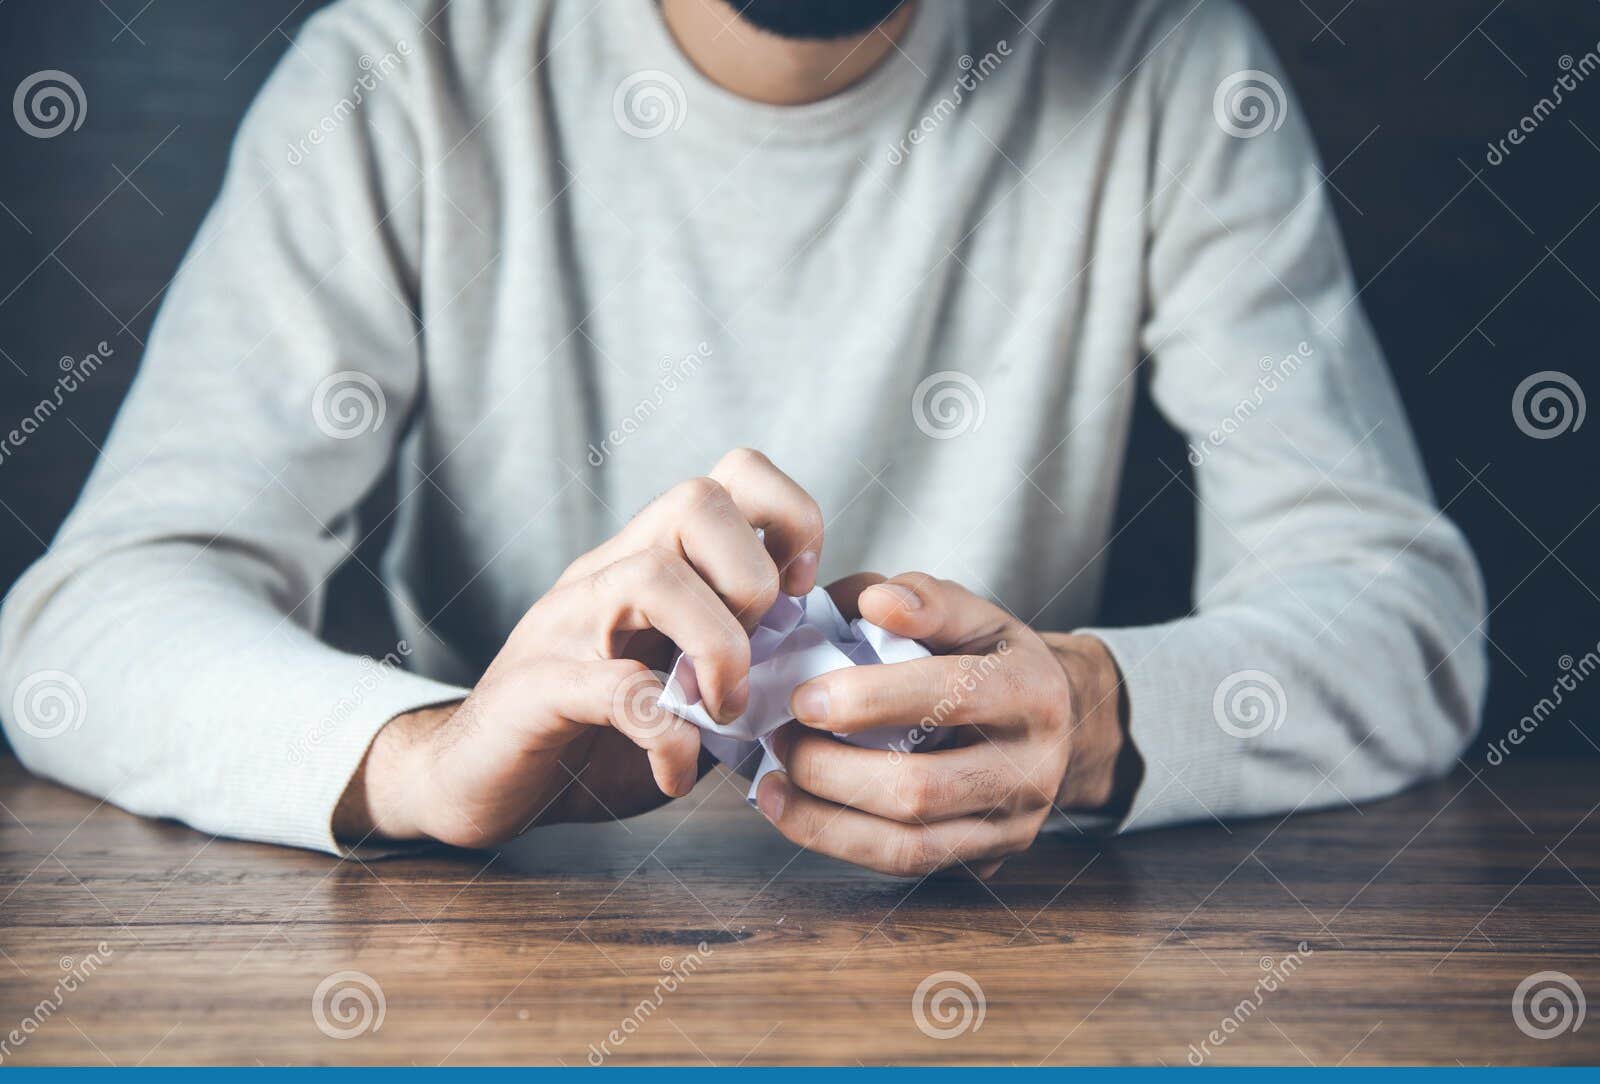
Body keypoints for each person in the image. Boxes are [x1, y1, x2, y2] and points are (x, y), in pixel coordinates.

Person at [0, 0, 1486, 877]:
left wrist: (1090, 714)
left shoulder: (1163, 65)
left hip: (994, 994)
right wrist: (428, 759)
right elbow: (90, 624)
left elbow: (1403, 625)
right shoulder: (405, 69)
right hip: (496, 996)